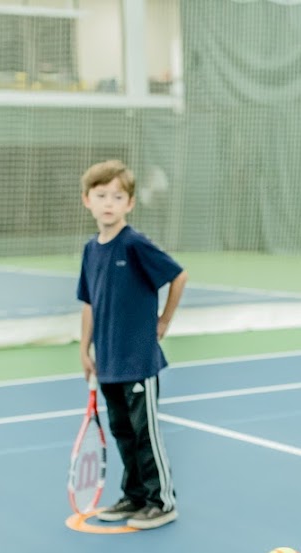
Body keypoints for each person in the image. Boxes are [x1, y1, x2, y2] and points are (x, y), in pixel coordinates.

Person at [77, 159, 188, 529]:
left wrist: (164, 321)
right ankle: (134, 496)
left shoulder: (135, 244)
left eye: (118, 196)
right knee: (123, 433)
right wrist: (84, 350)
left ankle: (161, 500)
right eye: (101, 195)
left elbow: (178, 275)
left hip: (138, 360)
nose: (109, 202)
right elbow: (89, 302)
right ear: (87, 200)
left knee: (145, 433)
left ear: (130, 203)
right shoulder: (91, 250)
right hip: (107, 362)